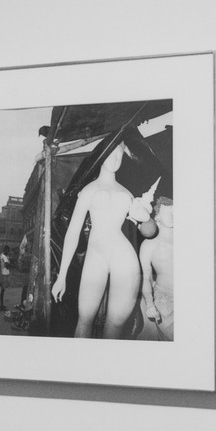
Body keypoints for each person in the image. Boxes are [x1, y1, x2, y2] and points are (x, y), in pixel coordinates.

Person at [52, 140, 143, 339]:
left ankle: (107, 366)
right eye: (111, 153)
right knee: (84, 318)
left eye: (120, 154)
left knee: (116, 324)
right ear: (101, 154)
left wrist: (145, 217)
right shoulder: (88, 190)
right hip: (96, 255)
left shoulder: (128, 194)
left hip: (124, 258)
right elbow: (73, 232)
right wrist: (62, 275)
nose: (115, 158)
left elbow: (147, 229)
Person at [137, 190, 173, 341]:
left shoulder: (188, 238)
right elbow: (145, 277)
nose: (173, 215)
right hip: (164, 300)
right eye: (169, 212)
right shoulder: (149, 245)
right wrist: (150, 304)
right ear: (157, 217)